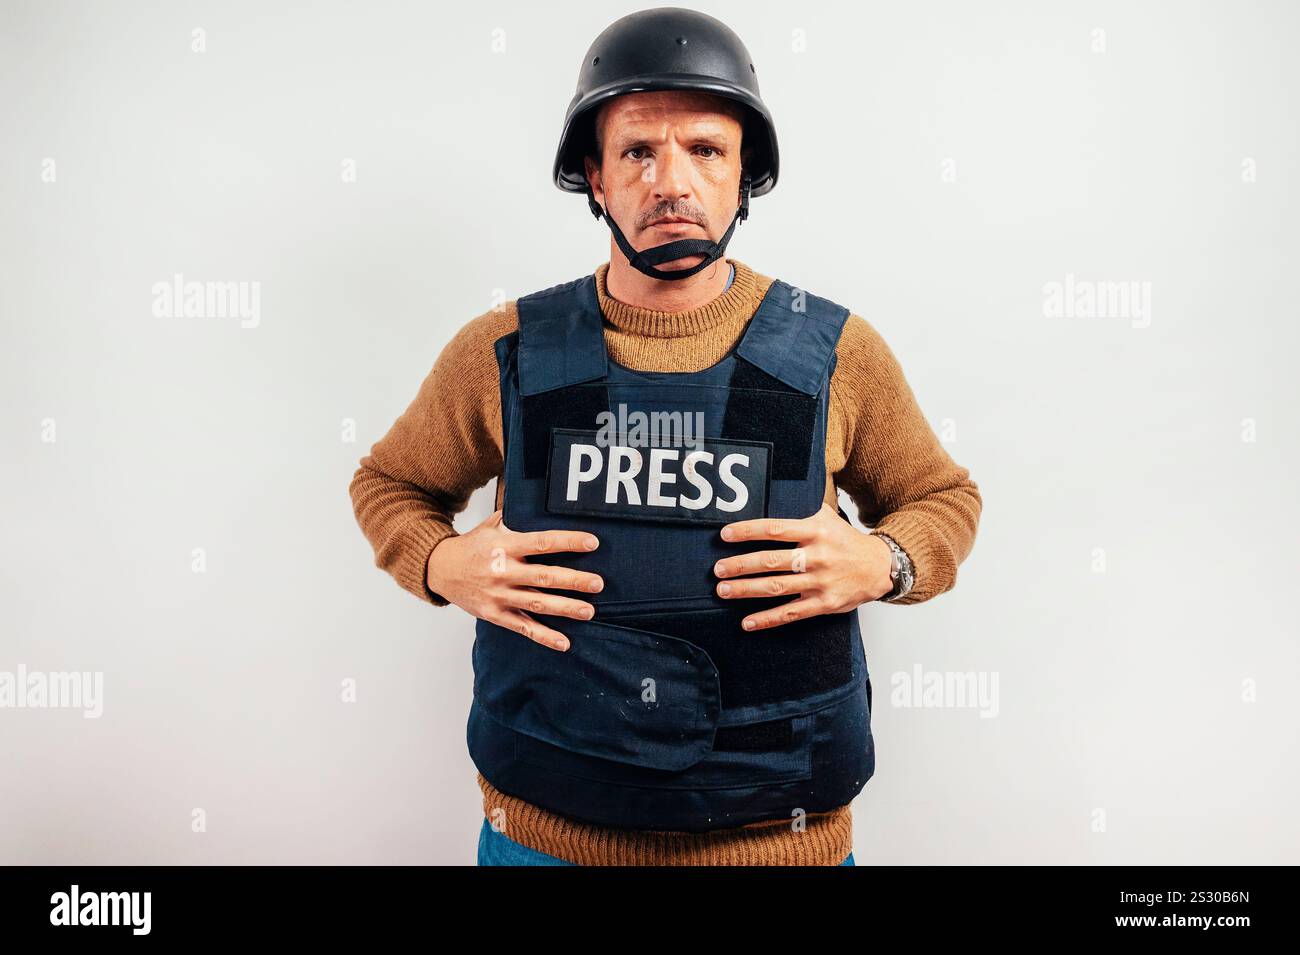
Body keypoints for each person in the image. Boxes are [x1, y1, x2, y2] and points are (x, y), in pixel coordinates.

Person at [349, 8, 981, 866]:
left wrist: (887, 561)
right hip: (544, 843)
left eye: (706, 150)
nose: (670, 181)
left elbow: (944, 498)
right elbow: (387, 482)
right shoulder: (507, 350)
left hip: (781, 846)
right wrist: (436, 562)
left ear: (744, 176)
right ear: (596, 179)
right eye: (638, 151)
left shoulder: (832, 350)